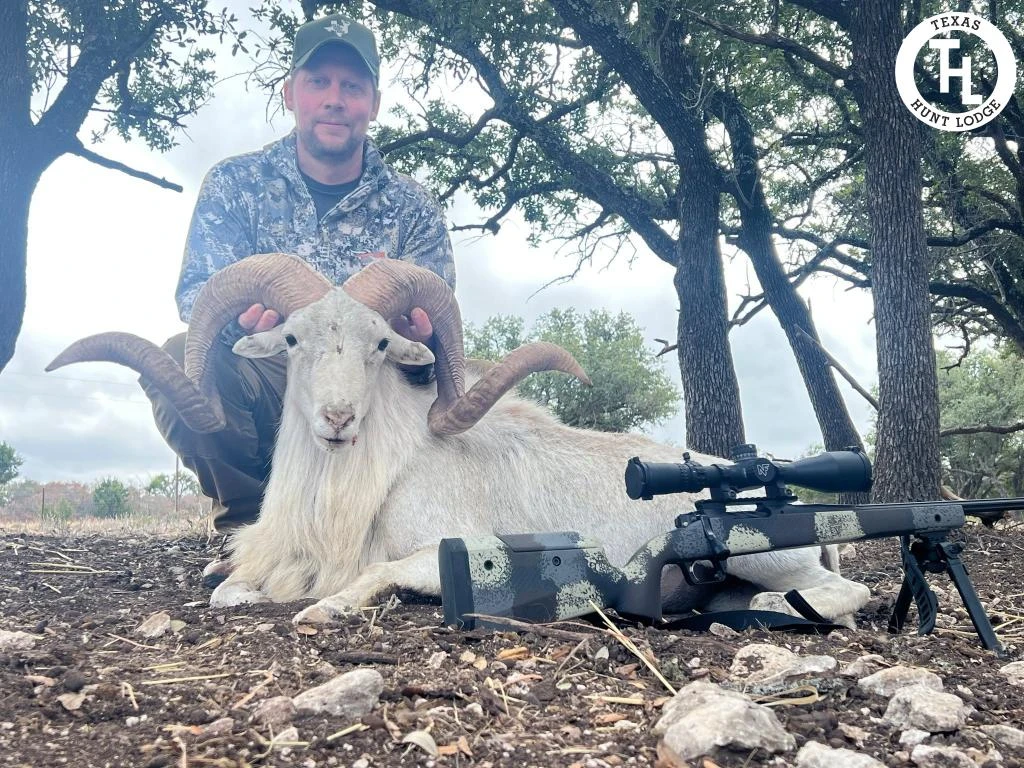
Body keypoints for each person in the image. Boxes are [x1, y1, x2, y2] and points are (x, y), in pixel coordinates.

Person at [143, 12, 455, 542]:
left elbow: (437, 327)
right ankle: (250, 523)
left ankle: (383, 518)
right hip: (275, 376)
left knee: (446, 387)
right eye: (319, 82)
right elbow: (199, 295)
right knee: (178, 360)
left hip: (372, 398)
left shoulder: (413, 206)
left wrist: (420, 333)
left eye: (353, 86)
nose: (335, 98)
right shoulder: (235, 184)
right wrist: (239, 322)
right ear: (290, 93)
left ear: (374, 104)